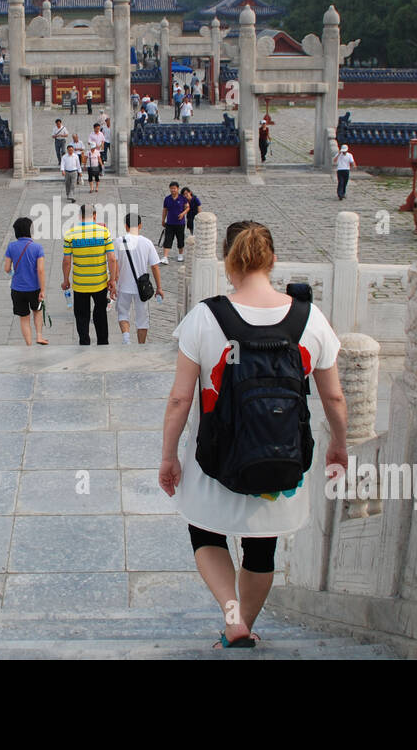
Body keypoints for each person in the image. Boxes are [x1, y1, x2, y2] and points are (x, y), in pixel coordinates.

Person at [159, 220, 348, 648]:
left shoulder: (206, 317)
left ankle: (232, 618)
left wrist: (169, 456)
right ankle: (245, 620)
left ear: (229, 261)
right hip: (280, 459)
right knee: (261, 548)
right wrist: (338, 444)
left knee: (207, 533)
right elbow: (334, 398)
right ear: (273, 259)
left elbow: (179, 401)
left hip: (216, 459)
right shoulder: (309, 318)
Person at [62, 204, 116, 345]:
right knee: (100, 314)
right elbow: (111, 258)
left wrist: (65, 280)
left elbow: (67, 261)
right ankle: (103, 343)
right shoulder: (104, 232)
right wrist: (113, 279)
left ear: (80, 217)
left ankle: (84, 342)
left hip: (80, 284)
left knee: (81, 315)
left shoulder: (70, 234)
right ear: (94, 216)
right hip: (100, 283)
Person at [115, 212, 164, 344]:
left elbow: (114, 264)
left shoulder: (119, 241)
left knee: (123, 313)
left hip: (123, 285)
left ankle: (126, 339)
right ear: (140, 225)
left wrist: (113, 283)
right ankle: (141, 346)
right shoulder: (147, 243)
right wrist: (159, 287)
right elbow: (155, 267)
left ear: (126, 226)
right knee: (142, 318)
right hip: (141, 287)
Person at [4, 217, 48, 346]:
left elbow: (7, 268)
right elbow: (40, 270)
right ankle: (39, 336)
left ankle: (29, 344)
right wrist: (43, 289)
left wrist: (15, 274)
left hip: (17, 289)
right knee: (37, 312)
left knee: (24, 318)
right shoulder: (37, 248)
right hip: (34, 288)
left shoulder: (11, 247)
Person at [160, 181, 189, 264]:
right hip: (170, 223)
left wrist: (183, 214)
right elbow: (165, 210)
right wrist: (163, 220)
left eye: (174, 188)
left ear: (178, 189)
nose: (173, 190)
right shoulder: (167, 199)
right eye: (171, 188)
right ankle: (165, 257)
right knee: (168, 239)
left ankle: (180, 254)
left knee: (180, 239)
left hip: (180, 223)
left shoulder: (182, 198)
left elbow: (187, 208)